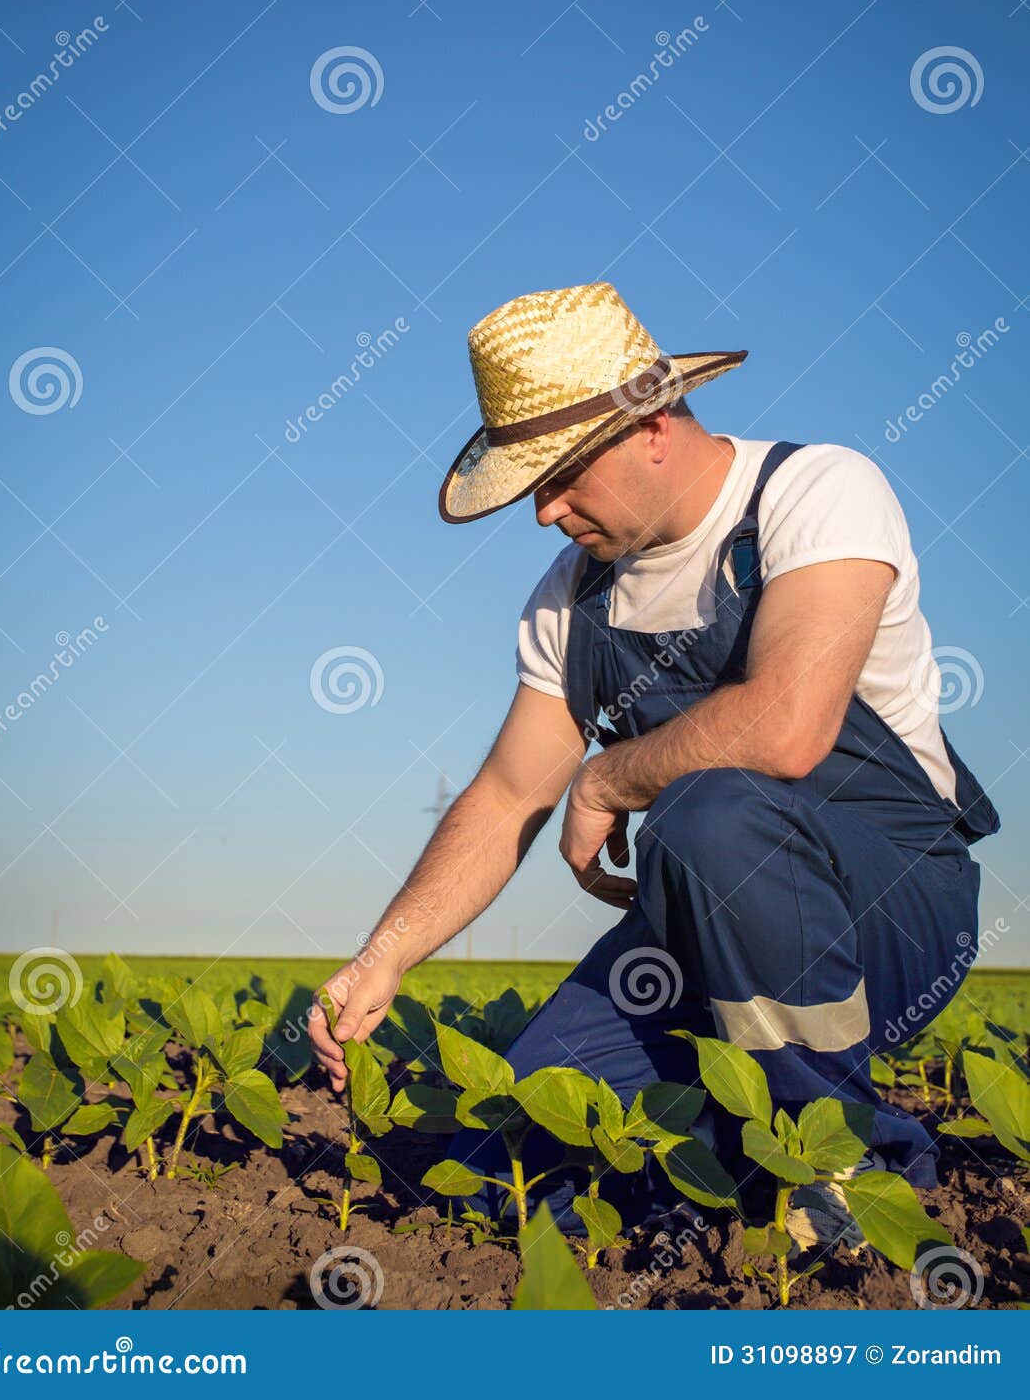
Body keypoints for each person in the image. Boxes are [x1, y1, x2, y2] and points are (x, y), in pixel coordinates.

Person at [307, 281, 1000, 1232]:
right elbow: (508, 795)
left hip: (887, 907)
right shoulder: (571, 598)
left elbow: (786, 724)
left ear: (653, 425)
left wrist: (606, 775)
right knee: (523, 1134)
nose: (544, 512)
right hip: (693, 941)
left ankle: (845, 1159)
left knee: (710, 811)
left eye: (559, 476)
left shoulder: (813, 492)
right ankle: (710, 1158)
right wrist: (381, 958)